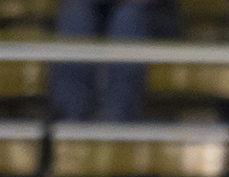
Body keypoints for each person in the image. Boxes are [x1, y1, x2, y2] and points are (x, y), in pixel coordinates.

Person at [50, 0, 180, 124]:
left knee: (128, 19)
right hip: (93, 11)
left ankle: (118, 123)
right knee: (75, 14)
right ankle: (67, 124)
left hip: (148, 15)